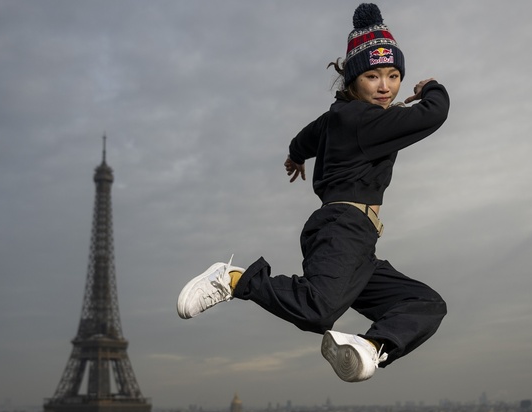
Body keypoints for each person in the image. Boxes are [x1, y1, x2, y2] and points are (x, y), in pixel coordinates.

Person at [177, 3, 449, 383]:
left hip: (357, 241)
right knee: (317, 310)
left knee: (425, 303)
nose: (385, 87)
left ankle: (370, 347)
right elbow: (434, 113)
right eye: (372, 76)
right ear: (353, 80)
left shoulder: (336, 117)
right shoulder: (367, 120)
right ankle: (234, 279)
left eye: (393, 76)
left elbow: (305, 137)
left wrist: (296, 156)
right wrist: (430, 88)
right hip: (342, 229)